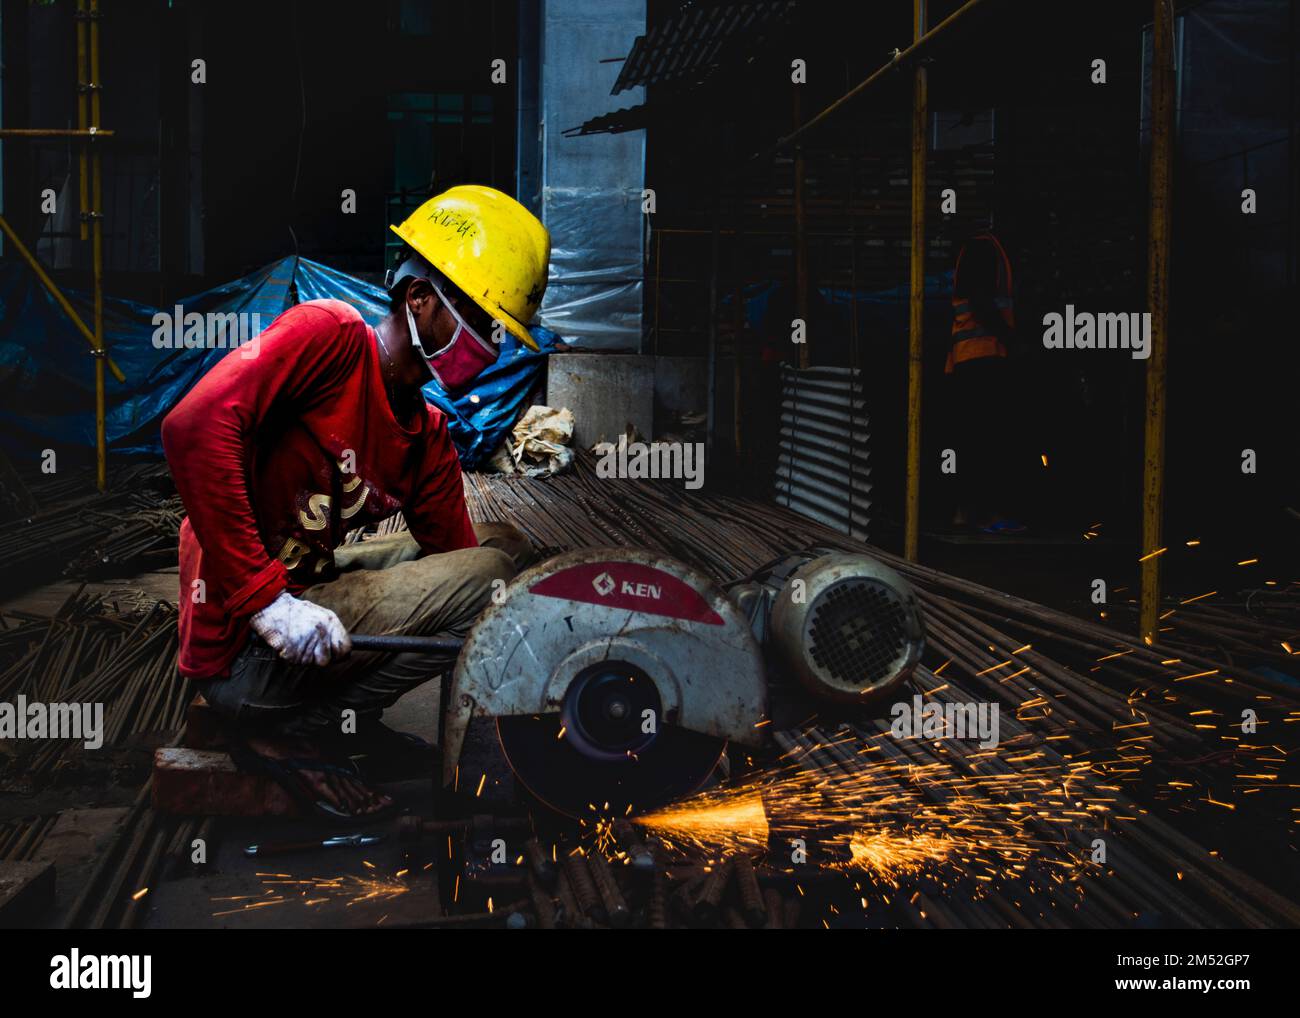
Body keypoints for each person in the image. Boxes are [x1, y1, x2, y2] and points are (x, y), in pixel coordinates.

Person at [161, 185, 550, 819]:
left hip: (305, 612)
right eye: (479, 323)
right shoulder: (331, 338)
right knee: (487, 578)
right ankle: (288, 729)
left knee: (503, 553)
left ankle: (338, 721)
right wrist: (265, 603)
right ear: (419, 300)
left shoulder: (426, 435)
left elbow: (460, 565)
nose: (489, 347)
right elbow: (192, 429)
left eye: (497, 333)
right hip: (246, 648)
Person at [945, 231, 1025, 534]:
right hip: (982, 359)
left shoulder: (977, 249)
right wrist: (1011, 340)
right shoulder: (983, 250)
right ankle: (984, 515)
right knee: (985, 440)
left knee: (972, 440)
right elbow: (981, 301)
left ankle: (965, 513)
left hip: (971, 360)